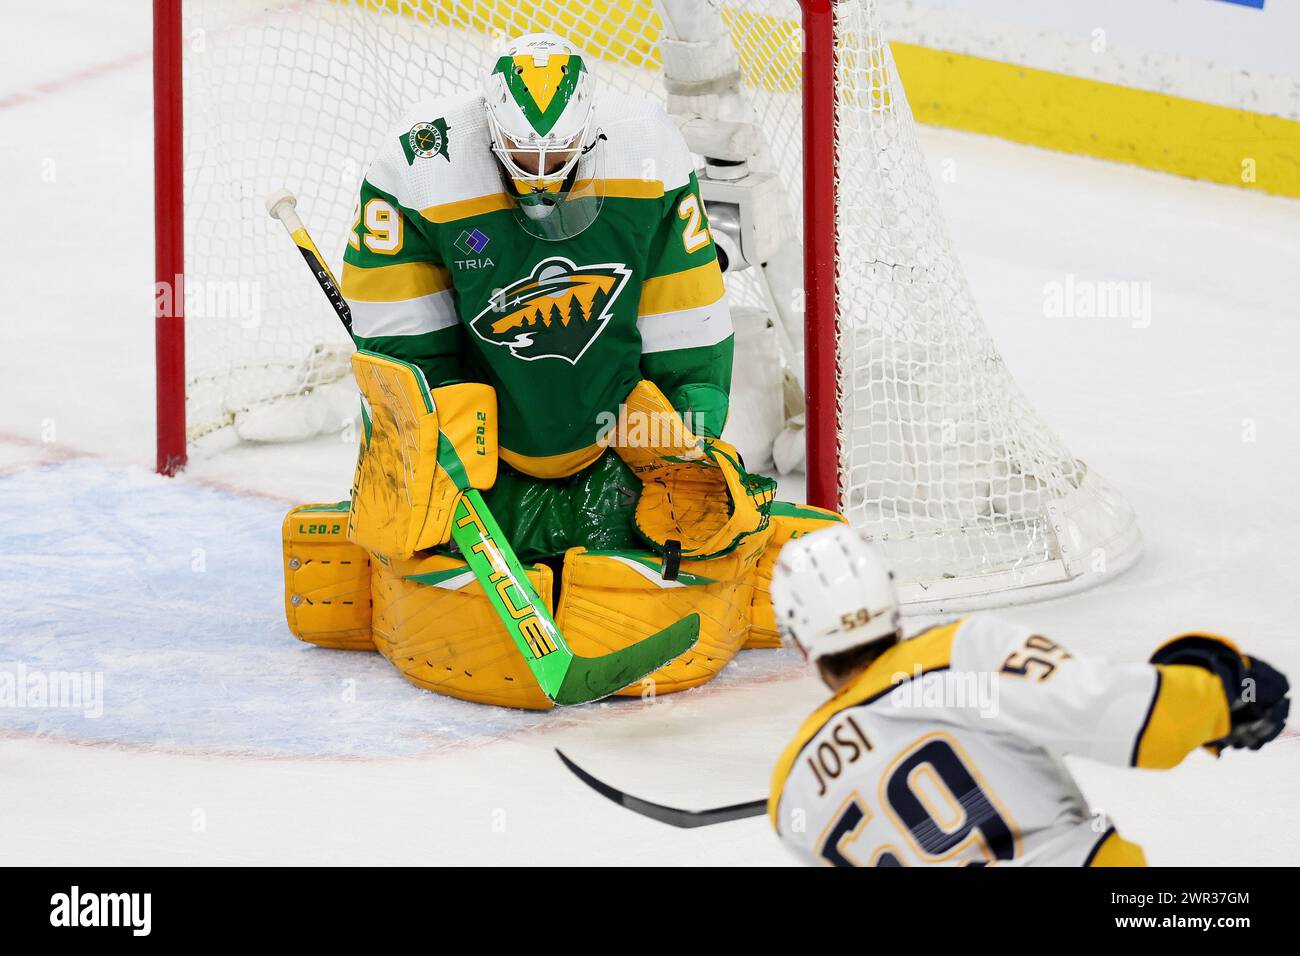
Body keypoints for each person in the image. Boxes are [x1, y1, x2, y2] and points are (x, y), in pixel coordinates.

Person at [767, 524, 1290, 865]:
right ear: (890, 596)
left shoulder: (791, 791)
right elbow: (1132, 717)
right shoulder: (962, 651)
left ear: (796, 641)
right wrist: (1223, 691)